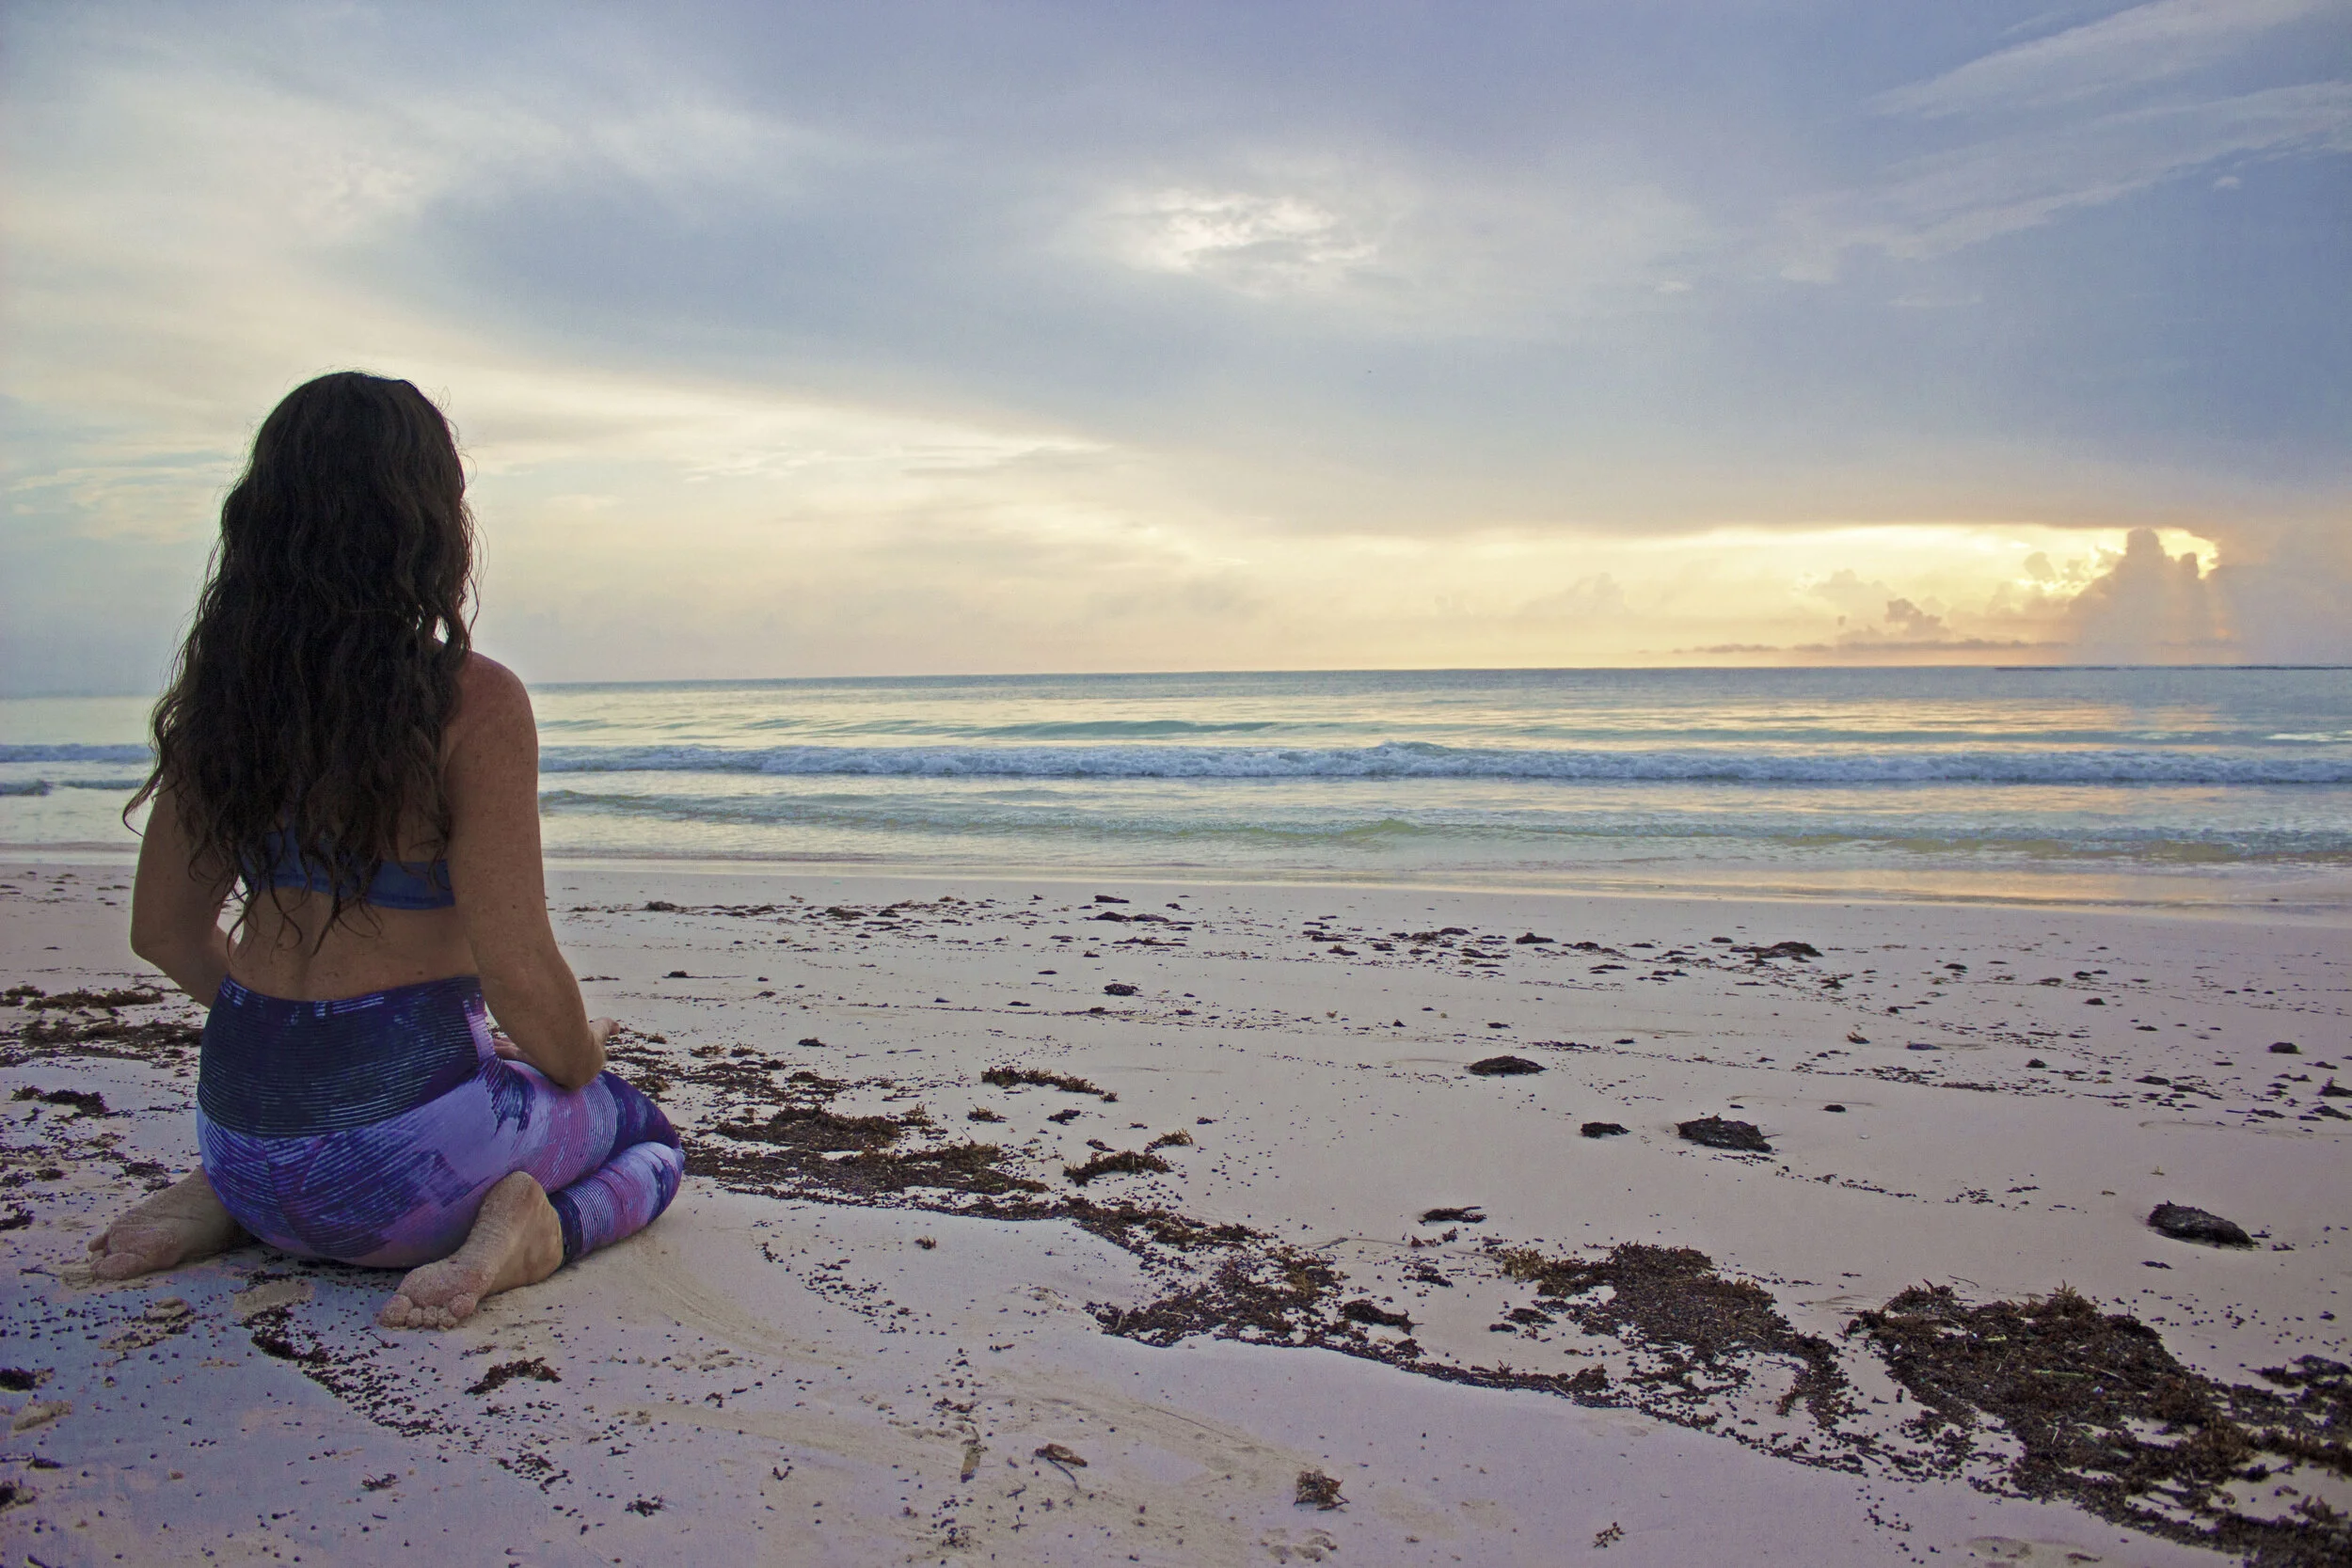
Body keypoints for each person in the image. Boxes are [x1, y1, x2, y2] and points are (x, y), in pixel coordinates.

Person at [87, 372, 684, 1328]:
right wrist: (576, 1065)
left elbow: (162, 929)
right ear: (429, 522)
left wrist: (306, 1044)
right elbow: (519, 970)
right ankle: (528, 1233)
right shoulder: (471, 702)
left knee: (351, 1130)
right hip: (407, 1172)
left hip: (241, 1137)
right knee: (649, 1140)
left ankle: (223, 1204)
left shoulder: (223, 701)